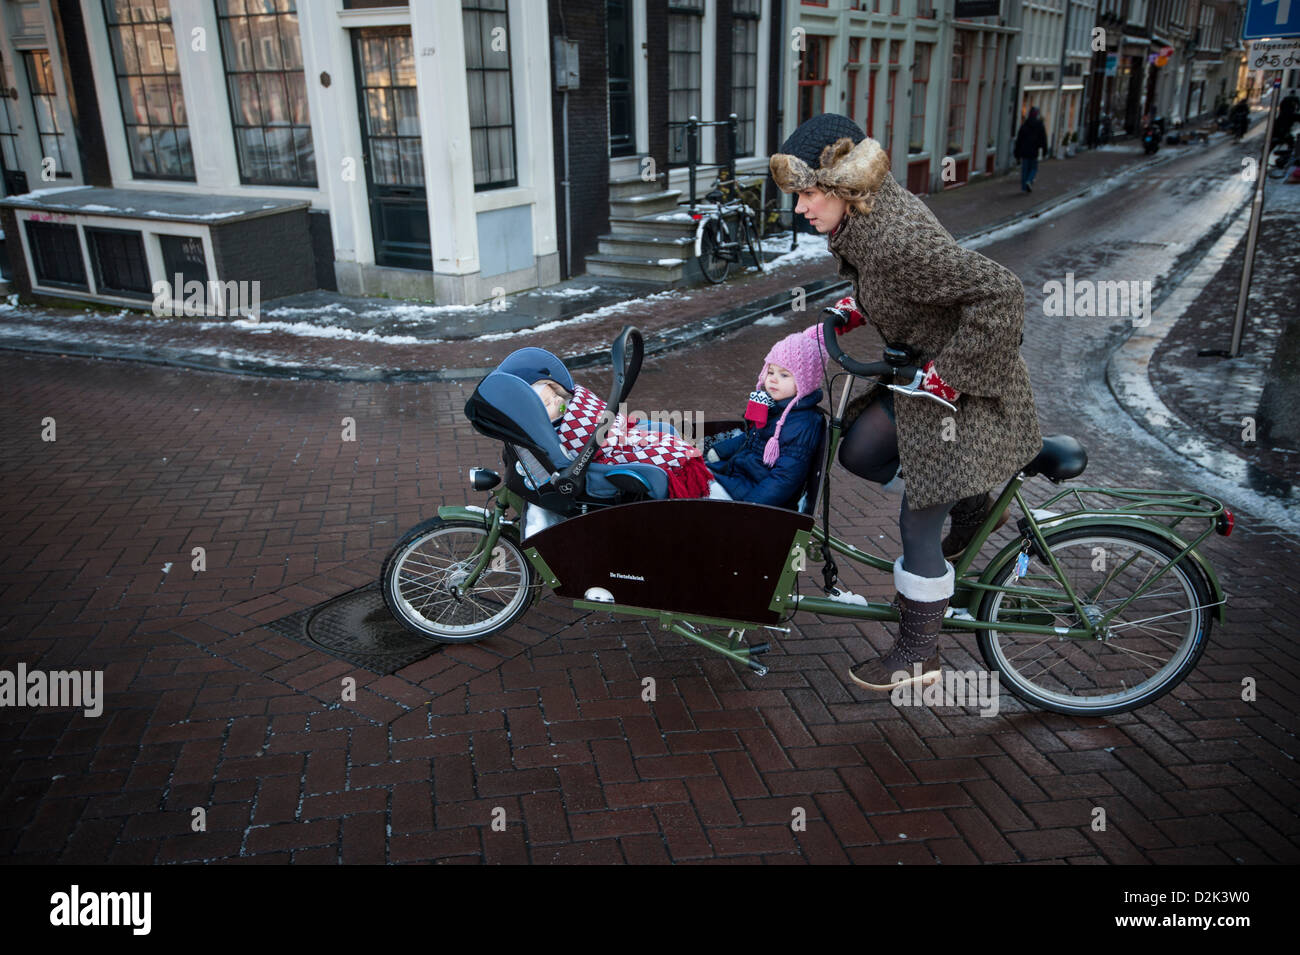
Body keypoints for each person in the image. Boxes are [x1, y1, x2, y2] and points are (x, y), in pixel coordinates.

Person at [768, 112, 1042, 693]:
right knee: (859, 453)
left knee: (917, 519)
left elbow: (1000, 292)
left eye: (809, 194)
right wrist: (859, 308)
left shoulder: (895, 240)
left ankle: (918, 652)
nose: (800, 209)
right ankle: (969, 503)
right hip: (920, 383)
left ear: (846, 186)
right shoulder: (868, 221)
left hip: (965, 394)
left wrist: (950, 377)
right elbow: (918, 294)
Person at [706, 332, 824, 507]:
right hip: (738, 475)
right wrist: (720, 451)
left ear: (805, 382)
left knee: (687, 485)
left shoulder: (803, 423)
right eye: (770, 372)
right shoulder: (774, 406)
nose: (773, 380)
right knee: (685, 472)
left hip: (750, 493)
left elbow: (785, 478)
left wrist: (751, 506)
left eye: (784, 375)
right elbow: (751, 438)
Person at [1013, 106, 1048, 192]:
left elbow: (1019, 139)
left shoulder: (1025, 125)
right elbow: (1043, 138)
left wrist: (1017, 152)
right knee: (1033, 168)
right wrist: (1044, 150)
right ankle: (1029, 180)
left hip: (1024, 151)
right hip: (1034, 150)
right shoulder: (1039, 125)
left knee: (1025, 169)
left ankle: (1024, 187)